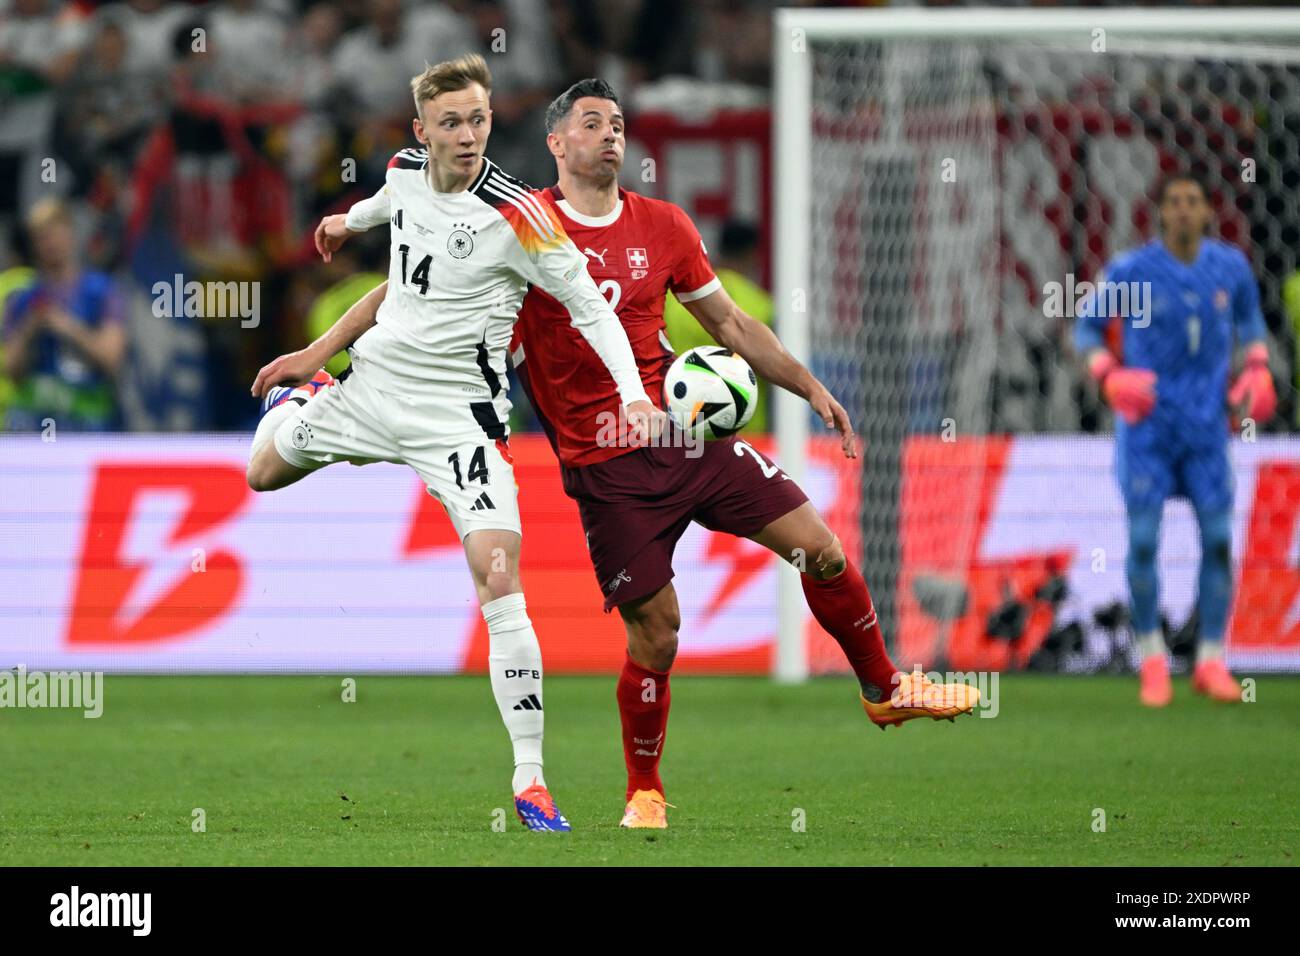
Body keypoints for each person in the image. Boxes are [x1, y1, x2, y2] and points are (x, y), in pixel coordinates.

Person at [331, 78, 981, 830]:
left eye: (618, 124)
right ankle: (644, 790)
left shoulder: (665, 226)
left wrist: (810, 388)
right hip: (606, 470)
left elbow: (732, 325)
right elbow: (403, 296)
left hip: (687, 434)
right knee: (657, 632)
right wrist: (329, 356)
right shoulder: (516, 222)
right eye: (592, 123)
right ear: (556, 143)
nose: (611, 134)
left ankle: (883, 688)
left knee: (821, 549)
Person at [249, 54, 658, 832]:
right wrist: (346, 222)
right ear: (421, 131)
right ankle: (310, 394)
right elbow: (387, 208)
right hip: (369, 390)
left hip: (460, 420)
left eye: (479, 119)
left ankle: (531, 780)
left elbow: (592, 311)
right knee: (261, 473)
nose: (469, 136)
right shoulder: (405, 169)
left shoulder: (520, 217)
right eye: (452, 123)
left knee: (499, 577)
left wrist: (634, 396)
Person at [1073, 172, 1275, 707]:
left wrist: (1257, 369)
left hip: (1209, 431)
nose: (1184, 210)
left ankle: (1210, 659)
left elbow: (1253, 326)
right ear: (1161, 213)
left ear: (1209, 211)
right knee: (1143, 542)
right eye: (1174, 202)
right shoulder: (1133, 271)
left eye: (1194, 201)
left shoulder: (1229, 268)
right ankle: (1153, 659)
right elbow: (1085, 330)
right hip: (1148, 432)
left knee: (1218, 541)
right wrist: (1108, 376)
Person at [2, 198, 126, 431]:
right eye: (43, 237)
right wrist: (31, 328)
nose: (51, 244)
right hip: (32, 422)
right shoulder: (23, 298)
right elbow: (12, 370)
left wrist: (68, 327)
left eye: (55, 234)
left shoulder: (101, 292)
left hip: (87, 422)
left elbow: (112, 359)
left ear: (70, 234)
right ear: (34, 244)